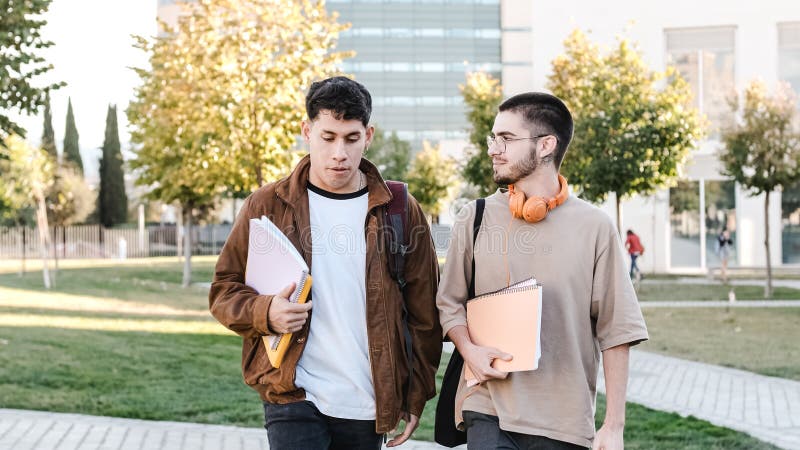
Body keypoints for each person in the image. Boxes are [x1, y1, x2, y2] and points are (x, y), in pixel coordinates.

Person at [209, 76, 442, 449]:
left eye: (351, 138)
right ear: (307, 131)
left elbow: (424, 314)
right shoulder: (266, 205)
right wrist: (266, 312)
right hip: (294, 392)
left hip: (366, 400)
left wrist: (415, 394)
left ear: (368, 135)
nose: (340, 153)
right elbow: (224, 290)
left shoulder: (399, 210)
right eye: (328, 137)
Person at [436, 92, 649, 449]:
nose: (493, 149)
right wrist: (469, 350)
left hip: (564, 420)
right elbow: (449, 303)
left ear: (546, 145)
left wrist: (614, 426)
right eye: (493, 138)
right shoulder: (474, 217)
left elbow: (617, 330)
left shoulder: (595, 227)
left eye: (506, 139)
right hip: (487, 406)